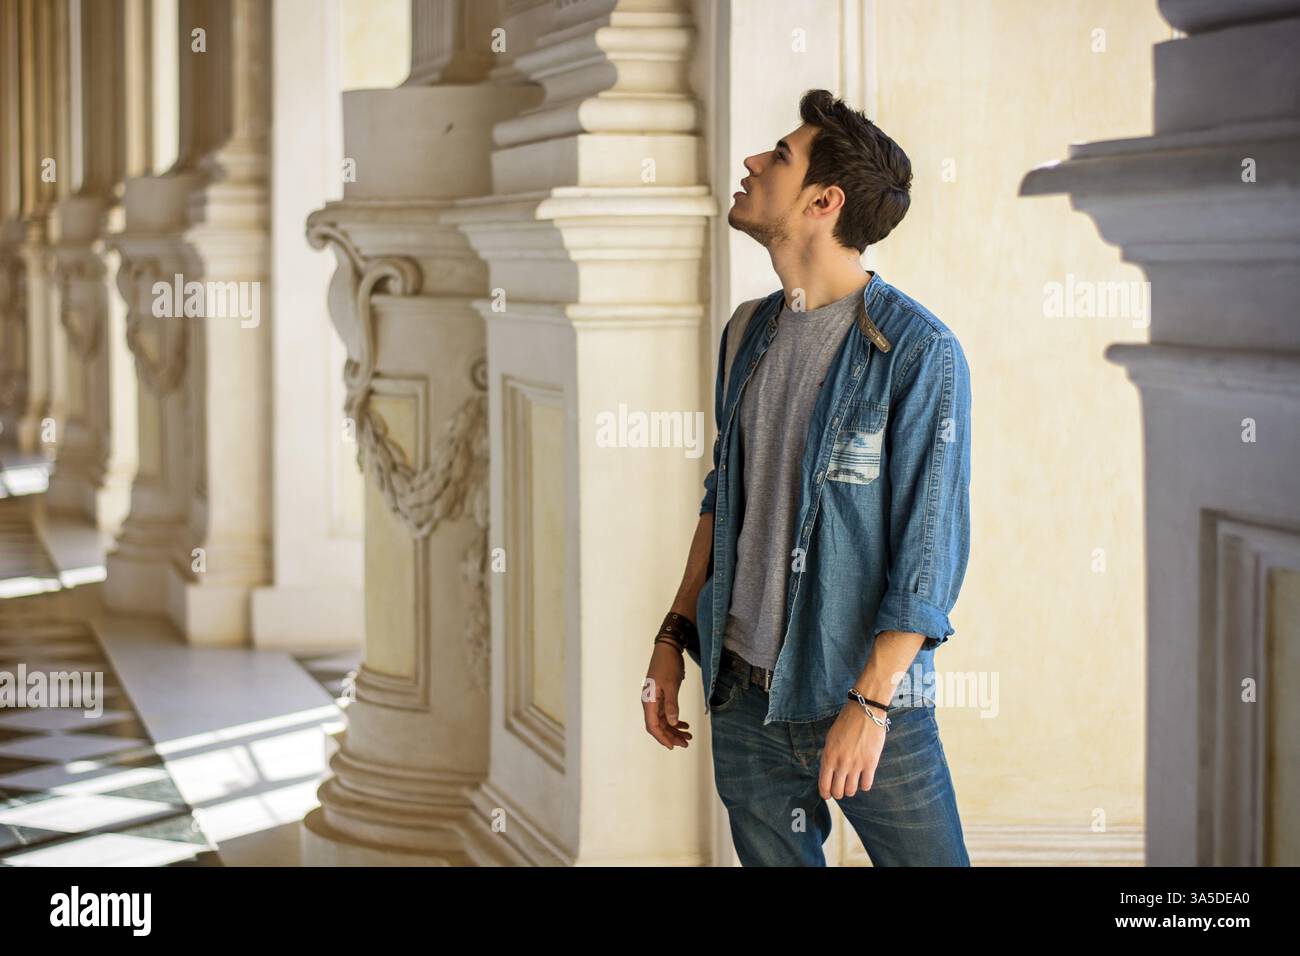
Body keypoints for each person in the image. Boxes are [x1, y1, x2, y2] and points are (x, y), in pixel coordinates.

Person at [642, 89, 973, 866]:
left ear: (824, 202)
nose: (754, 162)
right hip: (740, 695)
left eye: (779, 157)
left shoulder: (919, 352)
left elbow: (929, 555)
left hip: (865, 700)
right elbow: (723, 501)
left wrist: (870, 702)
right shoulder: (745, 332)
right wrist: (673, 633)